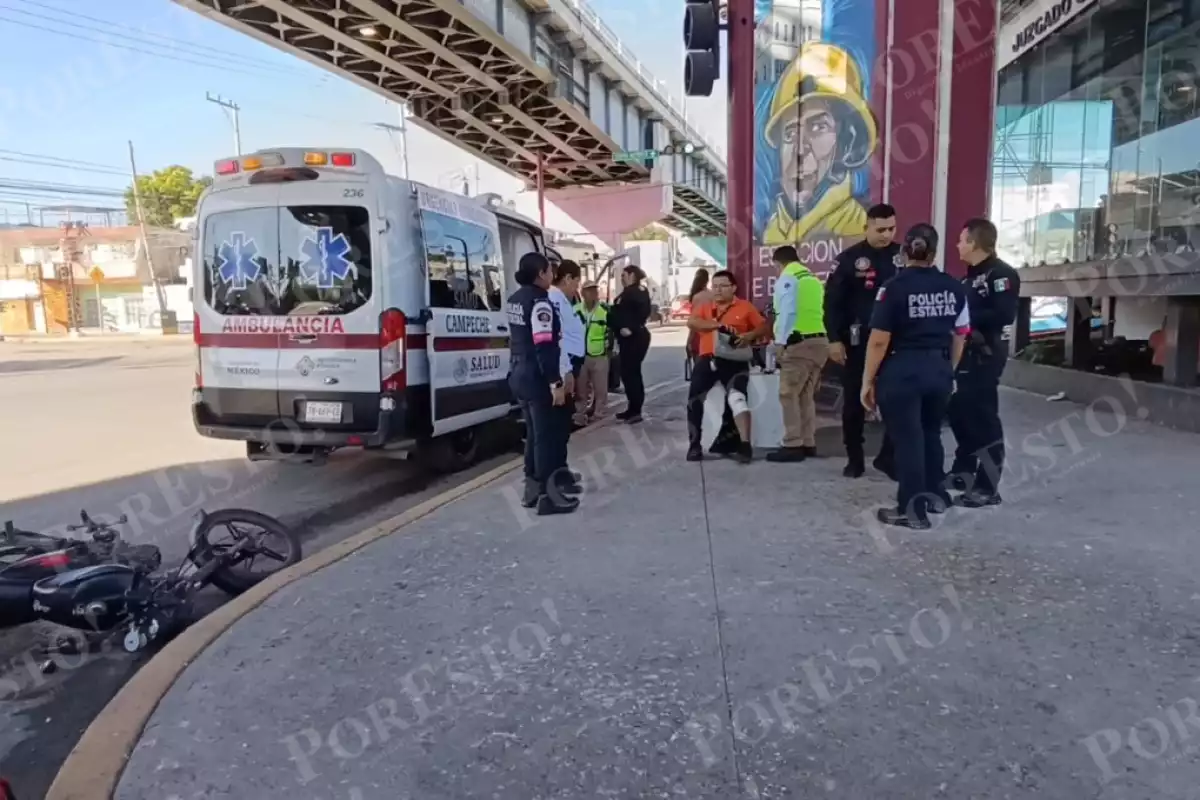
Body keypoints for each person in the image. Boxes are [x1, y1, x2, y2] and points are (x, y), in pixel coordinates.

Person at [861, 223, 970, 530]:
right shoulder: (954, 287)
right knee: (931, 433)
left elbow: (880, 340)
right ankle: (934, 495)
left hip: (902, 371)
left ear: (904, 250)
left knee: (908, 439)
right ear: (934, 253)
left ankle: (912, 510)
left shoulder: (893, 288)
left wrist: (867, 381)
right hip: (939, 370)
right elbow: (960, 335)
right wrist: (948, 369)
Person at [824, 203, 902, 479]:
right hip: (857, 343)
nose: (886, 234)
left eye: (891, 228)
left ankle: (888, 456)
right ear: (866, 227)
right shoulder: (849, 260)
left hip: (896, 345)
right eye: (880, 229)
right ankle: (854, 458)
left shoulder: (902, 258)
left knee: (897, 402)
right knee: (854, 404)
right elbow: (832, 303)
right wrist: (834, 339)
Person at [948, 217, 1021, 507]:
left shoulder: (1001, 274)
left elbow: (1004, 315)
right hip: (963, 353)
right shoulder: (966, 278)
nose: (958, 245)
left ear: (975, 243)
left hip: (986, 353)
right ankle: (962, 472)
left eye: (962, 240)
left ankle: (987, 486)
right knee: (958, 412)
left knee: (983, 417)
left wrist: (965, 321)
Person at [505, 252, 578, 516]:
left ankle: (532, 489)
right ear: (540, 274)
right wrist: (555, 382)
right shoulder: (540, 303)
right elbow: (545, 347)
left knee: (534, 436)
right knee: (546, 438)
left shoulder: (515, 299)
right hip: (537, 377)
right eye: (549, 271)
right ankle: (551, 497)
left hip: (518, 374)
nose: (552, 275)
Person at [685, 270, 772, 464]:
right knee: (694, 401)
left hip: (735, 361)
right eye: (714, 286)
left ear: (733, 288)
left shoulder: (745, 307)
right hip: (707, 359)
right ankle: (694, 445)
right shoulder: (706, 307)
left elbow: (763, 327)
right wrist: (716, 326)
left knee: (738, 399)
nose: (717, 290)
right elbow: (692, 322)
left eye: (722, 286)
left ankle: (744, 445)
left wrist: (748, 336)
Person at [766, 245, 829, 462]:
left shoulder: (788, 278)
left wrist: (780, 342)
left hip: (798, 342)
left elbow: (787, 312)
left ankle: (793, 444)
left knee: (788, 394)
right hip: (820, 342)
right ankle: (807, 442)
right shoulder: (811, 279)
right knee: (805, 395)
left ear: (778, 263)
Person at [547, 260, 586, 483]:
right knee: (559, 424)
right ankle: (558, 473)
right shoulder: (554, 298)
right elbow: (557, 339)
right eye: (576, 282)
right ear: (568, 278)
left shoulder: (561, 299)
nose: (577, 288)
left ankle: (561, 469)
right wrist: (567, 370)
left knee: (562, 424)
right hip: (565, 365)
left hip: (570, 363)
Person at [610, 264, 652, 423]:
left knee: (631, 372)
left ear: (632, 275)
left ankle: (636, 410)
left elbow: (643, 312)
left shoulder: (638, 291)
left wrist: (631, 328)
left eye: (624, 275)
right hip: (625, 338)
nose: (621, 278)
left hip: (635, 337)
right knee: (626, 373)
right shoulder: (627, 292)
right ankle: (632, 408)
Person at [573, 280, 612, 426]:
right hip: (581, 355)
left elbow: (612, 331)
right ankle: (580, 415)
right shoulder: (575, 310)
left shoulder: (605, 310)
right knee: (581, 389)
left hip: (600, 355)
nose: (593, 293)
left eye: (595, 290)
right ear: (582, 293)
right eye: (589, 290)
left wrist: (610, 350)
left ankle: (599, 415)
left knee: (601, 389)